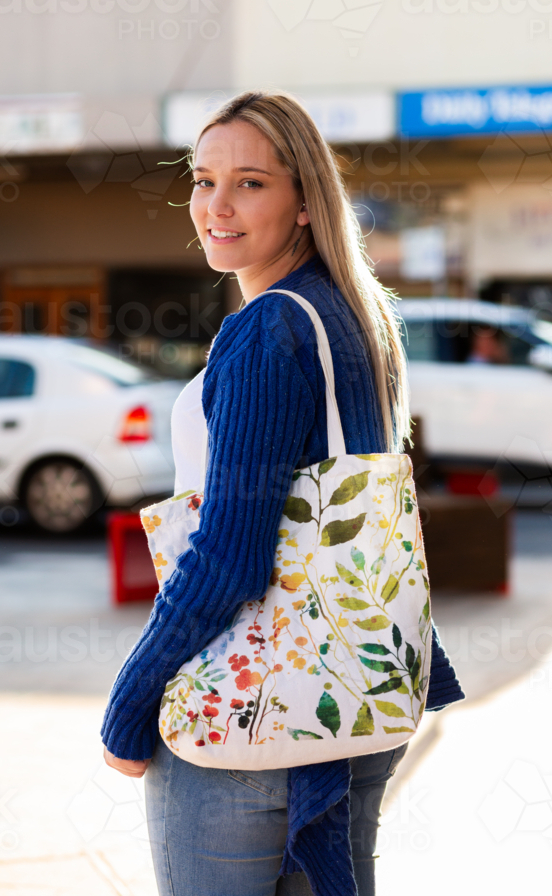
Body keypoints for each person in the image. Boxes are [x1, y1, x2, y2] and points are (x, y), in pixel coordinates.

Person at [101, 91, 465, 896]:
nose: (215, 206)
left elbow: (230, 557)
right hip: (356, 704)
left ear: (305, 202)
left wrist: (130, 702)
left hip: (253, 715)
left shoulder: (268, 329)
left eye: (250, 183)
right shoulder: (351, 318)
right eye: (202, 180)